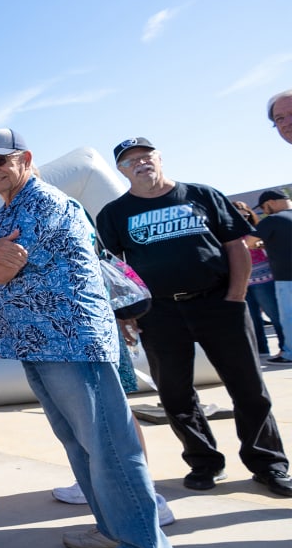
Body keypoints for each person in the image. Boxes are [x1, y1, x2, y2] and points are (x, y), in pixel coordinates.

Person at [0, 129, 181, 548]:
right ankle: (112, 531)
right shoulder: (5, 213)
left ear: (24, 158)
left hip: (71, 343)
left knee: (108, 447)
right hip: (36, 343)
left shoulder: (45, 204)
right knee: (81, 445)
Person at [96, 138, 292, 497]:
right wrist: (125, 314)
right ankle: (204, 462)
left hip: (219, 303)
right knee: (175, 394)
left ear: (158, 158)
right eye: (130, 161)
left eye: (146, 156)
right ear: (121, 170)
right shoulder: (114, 213)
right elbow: (113, 269)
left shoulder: (202, 195)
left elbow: (236, 246)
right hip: (159, 313)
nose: (140, 164)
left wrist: (235, 297)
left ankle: (268, 463)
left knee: (248, 387)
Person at [233, 199, 285, 357]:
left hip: (264, 279)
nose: (243, 218)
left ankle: (285, 348)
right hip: (242, 281)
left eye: (246, 215)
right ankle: (261, 351)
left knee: (275, 315)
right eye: (238, 215)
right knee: (252, 320)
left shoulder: (257, 229)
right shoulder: (227, 233)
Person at [255, 189, 292, 364]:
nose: (263, 210)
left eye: (263, 207)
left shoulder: (273, 220)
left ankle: (290, 354)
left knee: (289, 317)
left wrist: (259, 243)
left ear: (271, 202)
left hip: (286, 276)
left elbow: (248, 242)